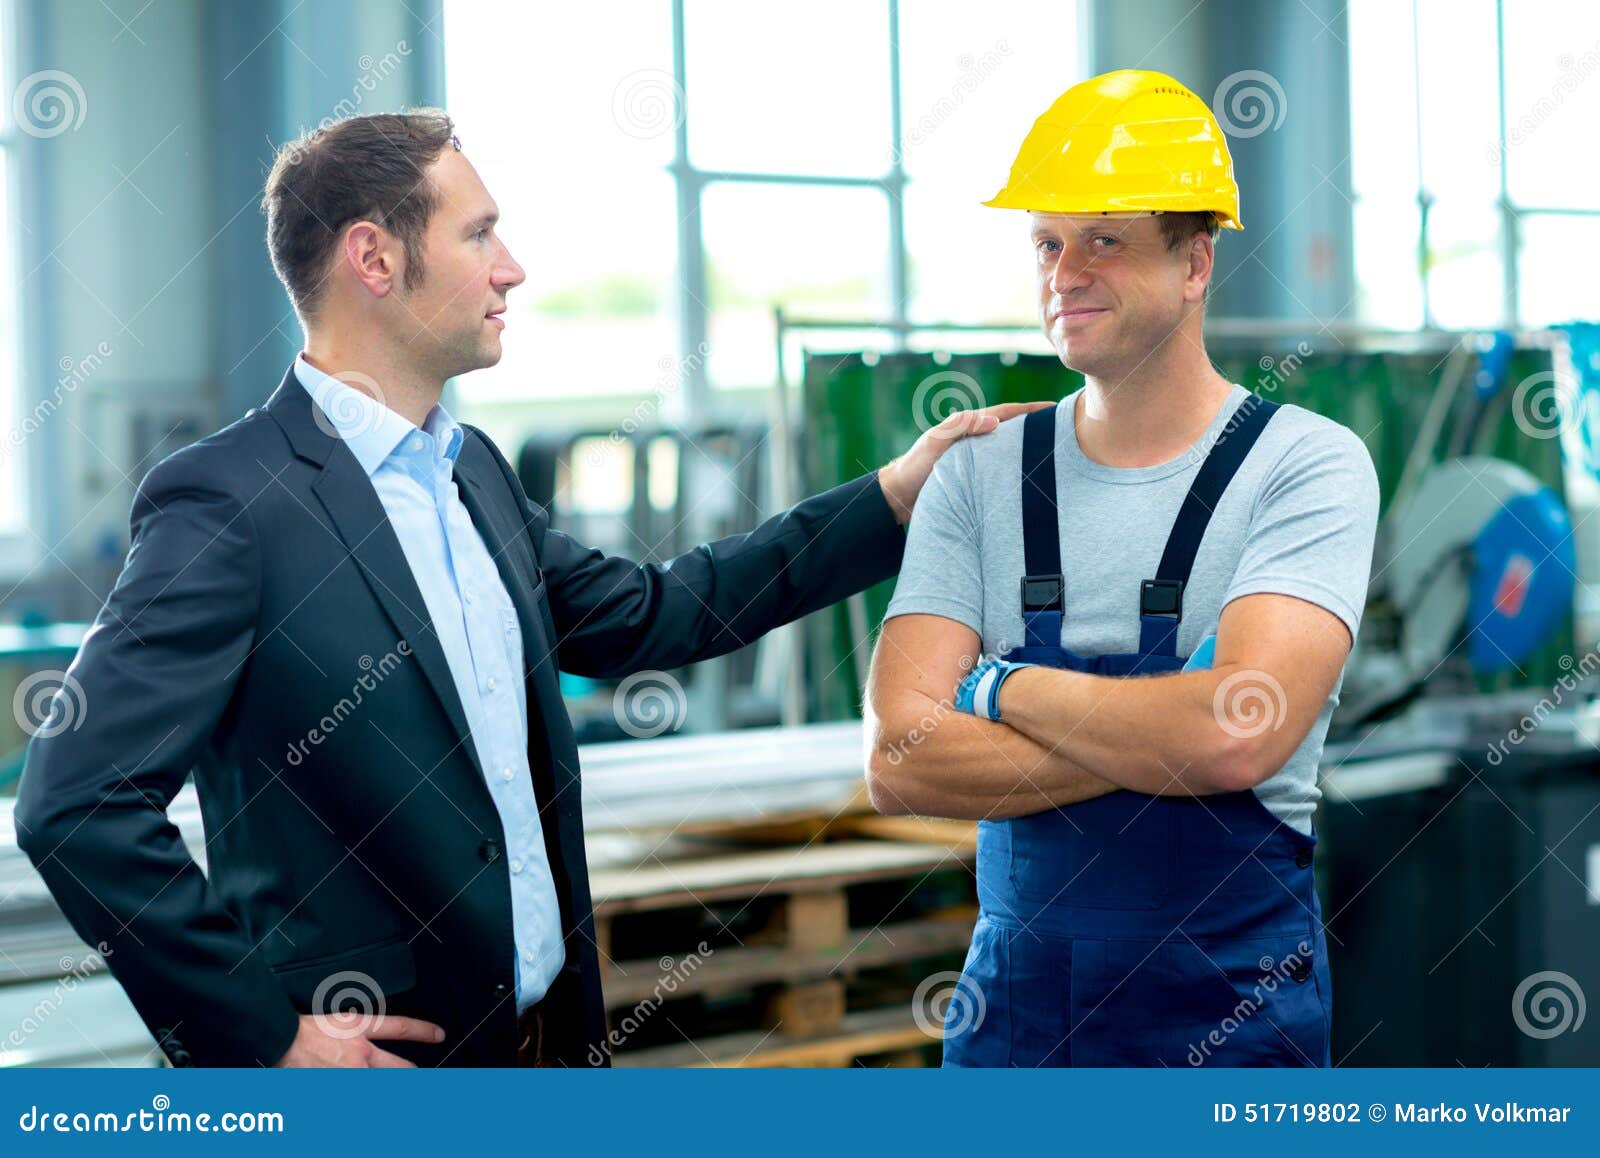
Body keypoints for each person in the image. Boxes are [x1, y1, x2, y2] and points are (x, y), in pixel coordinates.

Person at [14, 109, 1043, 1068]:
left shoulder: (472, 474)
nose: (513, 270)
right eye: (479, 236)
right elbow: (77, 802)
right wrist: (264, 1036)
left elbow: (660, 611)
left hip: (549, 1035)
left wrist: (893, 497)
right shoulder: (232, 501)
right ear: (373, 257)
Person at [865, 70, 1380, 1067]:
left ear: (1195, 262)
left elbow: (1235, 739)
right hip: (1012, 1039)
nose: (1065, 271)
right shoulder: (976, 475)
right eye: (1047, 242)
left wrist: (997, 686)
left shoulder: (1304, 466)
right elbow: (900, 758)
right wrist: (1158, 736)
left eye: (1104, 239)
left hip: (1230, 1034)